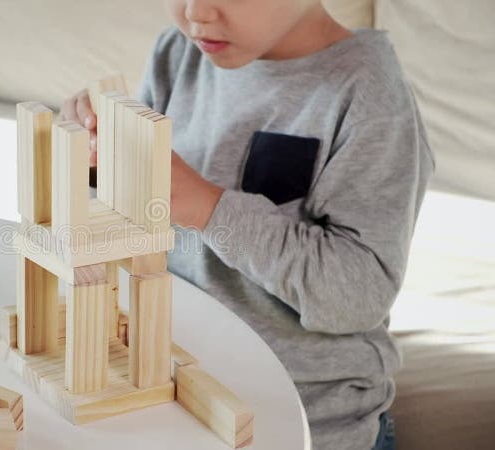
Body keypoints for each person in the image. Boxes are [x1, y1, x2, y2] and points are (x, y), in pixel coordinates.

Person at [60, 1, 433, 449]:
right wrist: (97, 160)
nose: (196, 13)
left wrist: (209, 207)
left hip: (305, 423)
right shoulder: (179, 53)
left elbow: (358, 294)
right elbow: (134, 222)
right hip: (175, 395)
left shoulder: (370, 96)